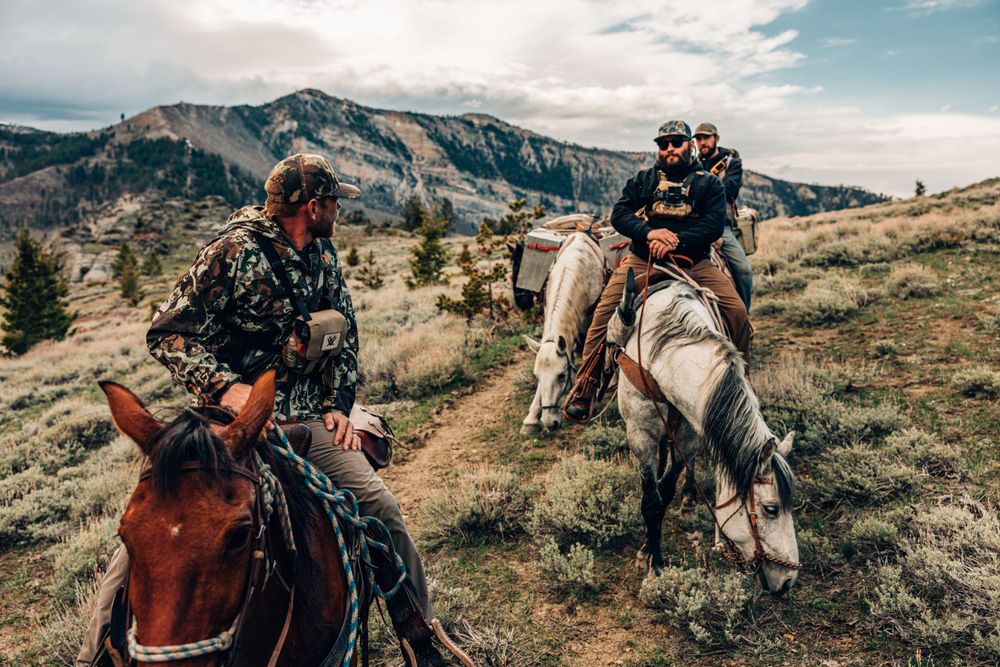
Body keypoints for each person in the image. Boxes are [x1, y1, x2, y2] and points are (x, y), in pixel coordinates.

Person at [78, 154, 460, 667]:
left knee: (379, 510)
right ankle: (92, 656)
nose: (338, 211)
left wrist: (338, 406)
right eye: (334, 202)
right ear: (312, 205)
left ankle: (420, 638)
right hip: (232, 428)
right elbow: (166, 332)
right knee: (146, 540)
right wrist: (225, 386)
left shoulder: (324, 257)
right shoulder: (231, 252)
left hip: (307, 421)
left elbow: (345, 338)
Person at [564, 121, 751, 422]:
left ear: (689, 145)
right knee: (603, 314)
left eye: (676, 142)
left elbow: (714, 225)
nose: (669, 149)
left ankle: (738, 382)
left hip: (695, 263)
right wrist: (650, 234)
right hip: (643, 260)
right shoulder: (644, 179)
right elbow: (621, 214)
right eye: (663, 144)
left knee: (737, 313)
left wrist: (676, 240)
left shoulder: (708, 183)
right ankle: (586, 385)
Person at [694, 122, 752, 311]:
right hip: (692, 224)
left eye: (706, 138)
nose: (702, 142)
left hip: (720, 225)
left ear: (716, 139)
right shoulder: (693, 164)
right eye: (699, 138)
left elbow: (729, 189)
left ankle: (744, 314)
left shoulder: (731, 164)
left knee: (743, 270)